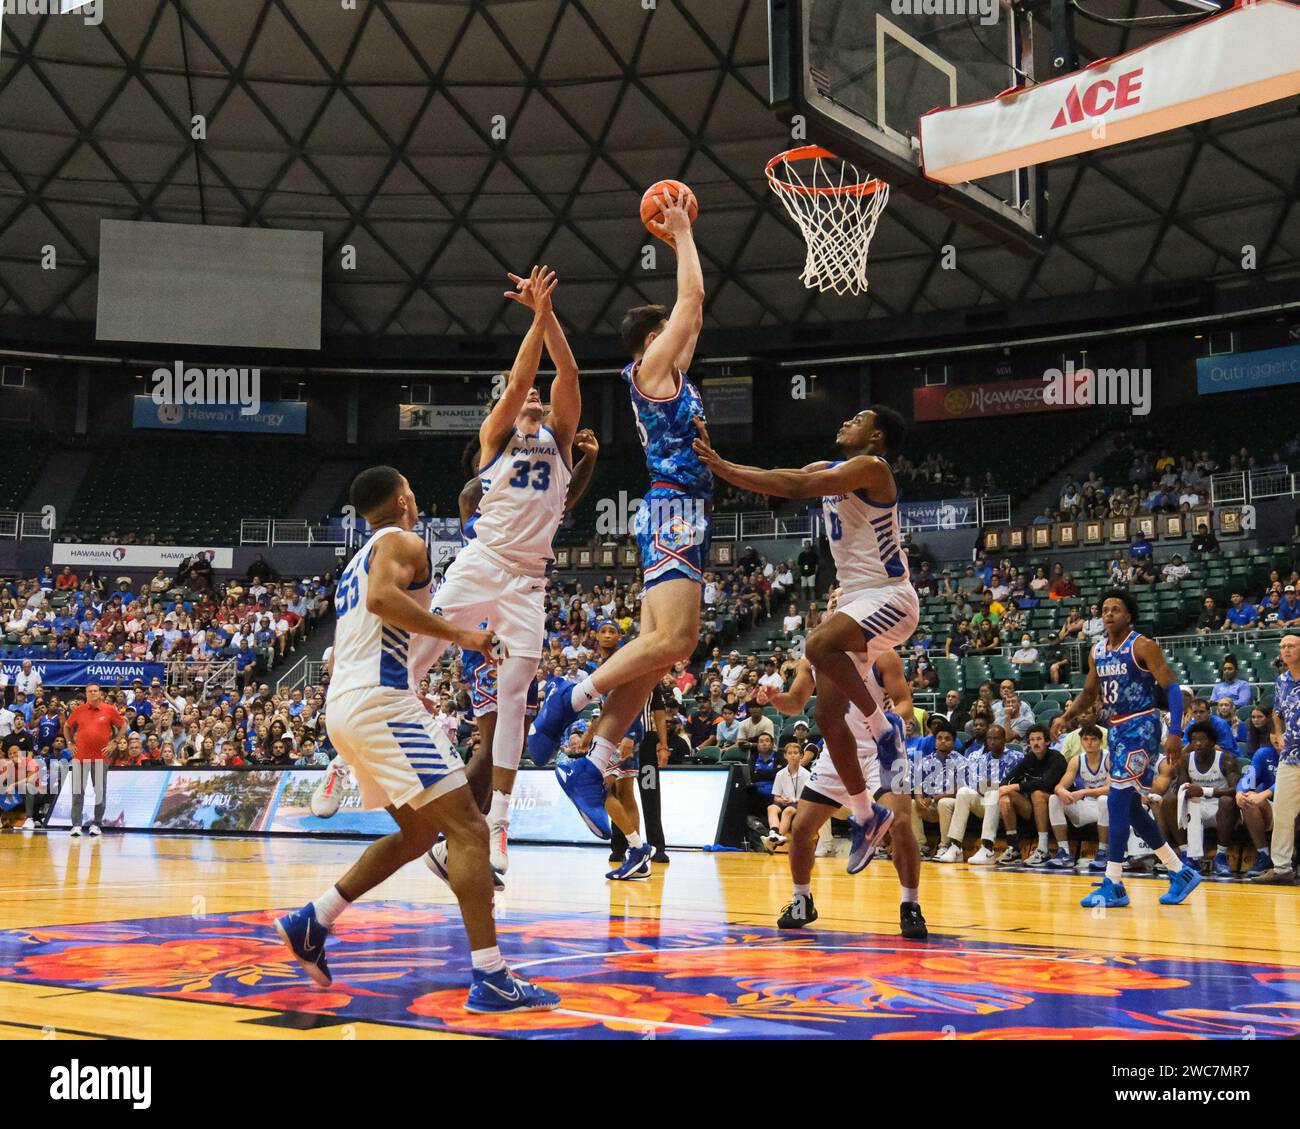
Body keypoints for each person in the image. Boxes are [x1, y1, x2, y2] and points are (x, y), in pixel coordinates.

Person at [274, 465, 558, 1014]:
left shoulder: (355, 561)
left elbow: (369, 622)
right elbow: (383, 601)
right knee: (471, 831)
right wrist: (463, 635)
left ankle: (314, 920)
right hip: (381, 706)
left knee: (420, 833)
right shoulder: (404, 541)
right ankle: (492, 978)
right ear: (406, 499)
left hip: (350, 706)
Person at [527, 192, 709, 876]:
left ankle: (593, 762)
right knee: (676, 642)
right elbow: (691, 302)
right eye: (668, 333)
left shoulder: (665, 370)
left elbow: (690, 317)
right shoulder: (653, 371)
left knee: (658, 655)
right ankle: (567, 700)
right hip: (674, 508)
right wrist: (682, 233)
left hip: (676, 508)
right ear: (648, 343)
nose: (684, 338)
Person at [693, 406, 918, 876]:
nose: (844, 423)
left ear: (875, 437)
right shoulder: (831, 469)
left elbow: (796, 488)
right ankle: (864, 814)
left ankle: (882, 729)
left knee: (816, 645)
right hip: (856, 600)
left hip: (889, 596)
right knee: (827, 717)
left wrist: (721, 466)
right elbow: (785, 477)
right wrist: (724, 466)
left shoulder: (872, 468)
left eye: (855, 420)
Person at [767, 641, 927, 940]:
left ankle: (911, 904)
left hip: (882, 749)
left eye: (840, 602)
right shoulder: (814, 657)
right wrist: (777, 699)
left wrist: (891, 722)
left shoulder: (882, 654)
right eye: (831, 603)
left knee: (902, 825)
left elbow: (904, 703)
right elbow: (796, 701)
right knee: (801, 828)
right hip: (838, 752)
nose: (835, 607)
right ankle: (802, 900)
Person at [1060, 589, 1202, 908]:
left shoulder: (1142, 645)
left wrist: (1176, 732)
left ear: (1128, 616)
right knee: (1132, 806)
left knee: (1117, 799)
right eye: (1105, 610)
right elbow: (1087, 693)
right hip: (1117, 727)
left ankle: (1113, 882)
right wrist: (1066, 716)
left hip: (1142, 724)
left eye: (1116, 609)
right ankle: (1180, 872)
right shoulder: (1097, 650)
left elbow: (1172, 687)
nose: (1108, 614)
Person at [1157, 720, 1240, 876]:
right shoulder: (1185, 759)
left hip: (1220, 807)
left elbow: (1236, 790)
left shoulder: (1226, 759)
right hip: (1195, 807)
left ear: (1212, 742)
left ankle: (1221, 856)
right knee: (1169, 799)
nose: (1198, 743)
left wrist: (1205, 791)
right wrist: (1187, 790)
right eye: (1194, 740)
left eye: (1202, 740)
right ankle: (1186, 853)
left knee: (1227, 801)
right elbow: (1182, 789)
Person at [935, 723, 1022, 864]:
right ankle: (955, 847)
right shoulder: (981, 759)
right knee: (964, 792)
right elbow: (972, 782)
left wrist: (993, 786)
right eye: (989, 738)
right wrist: (983, 787)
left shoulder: (1017, 757)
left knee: (994, 793)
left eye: (996, 738)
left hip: (1005, 804)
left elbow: (1018, 784)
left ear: (1004, 739)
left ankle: (988, 848)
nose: (992, 742)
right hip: (984, 801)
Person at [1253, 634, 1300, 884]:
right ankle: (1282, 868)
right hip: (1290, 756)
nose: (1286, 649)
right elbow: (1277, 711)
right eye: (1282, 646)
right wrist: (1278, 732)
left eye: (1291, 645)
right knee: (1282, 811)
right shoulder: (1282, 681)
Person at [996, 724, 1068, 866]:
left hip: (1058, 804)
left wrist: (1016, 786)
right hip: (1033, 808)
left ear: (1047, 741)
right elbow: (1008, 779)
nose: (1035, 743)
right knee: (1007, 795)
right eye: (1032, 740)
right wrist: (1004, 792)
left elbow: (1046, 784)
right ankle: (1013, 848)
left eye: (1039, 739)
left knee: (1037, 794)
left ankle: (1043, 849)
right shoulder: (1029, 759)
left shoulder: (1057, 758)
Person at [63, 683, 125, 836]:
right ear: (86, 693)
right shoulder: (79, 710)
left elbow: (123, 725)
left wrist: (115, 742)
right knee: (77, 792)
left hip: (100, 758)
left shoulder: (109, 709)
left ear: (100, 693)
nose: (92, 693)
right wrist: (69, 742)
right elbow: (66, 726)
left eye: (95, 691)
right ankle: (76, 825)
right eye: (90, 691)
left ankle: (96, 825)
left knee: (99, 792)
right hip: (80, 758)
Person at [1047, 725, 1110, 870]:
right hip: (1087, 808)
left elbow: (1110, 790)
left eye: (1093, 739)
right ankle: (1064, 853)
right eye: (1085, 739)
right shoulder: (1076, 760)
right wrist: (1061, 791)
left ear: (1100, 741)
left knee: (1103, 800)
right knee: (1054, 799)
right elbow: (1060, 786)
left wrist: (1082, 793)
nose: (1089, 743)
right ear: (1081, 741)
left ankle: (1103, 852)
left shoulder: (1108, 758)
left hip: (1108, 810)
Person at [766, 742, 810, 848]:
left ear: (801, 756)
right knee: (771, 808)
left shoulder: (807, 775)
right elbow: (776, 796)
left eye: (795, 753)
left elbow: (807, 798)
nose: (793, 755)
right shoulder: (780, 774)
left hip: (799, 803)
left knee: (788, 811)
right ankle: (774, 833)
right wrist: (781, 800)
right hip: (784, 801)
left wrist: (793, 801)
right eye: (790, 753)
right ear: (785, 756)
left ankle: (778, 839)